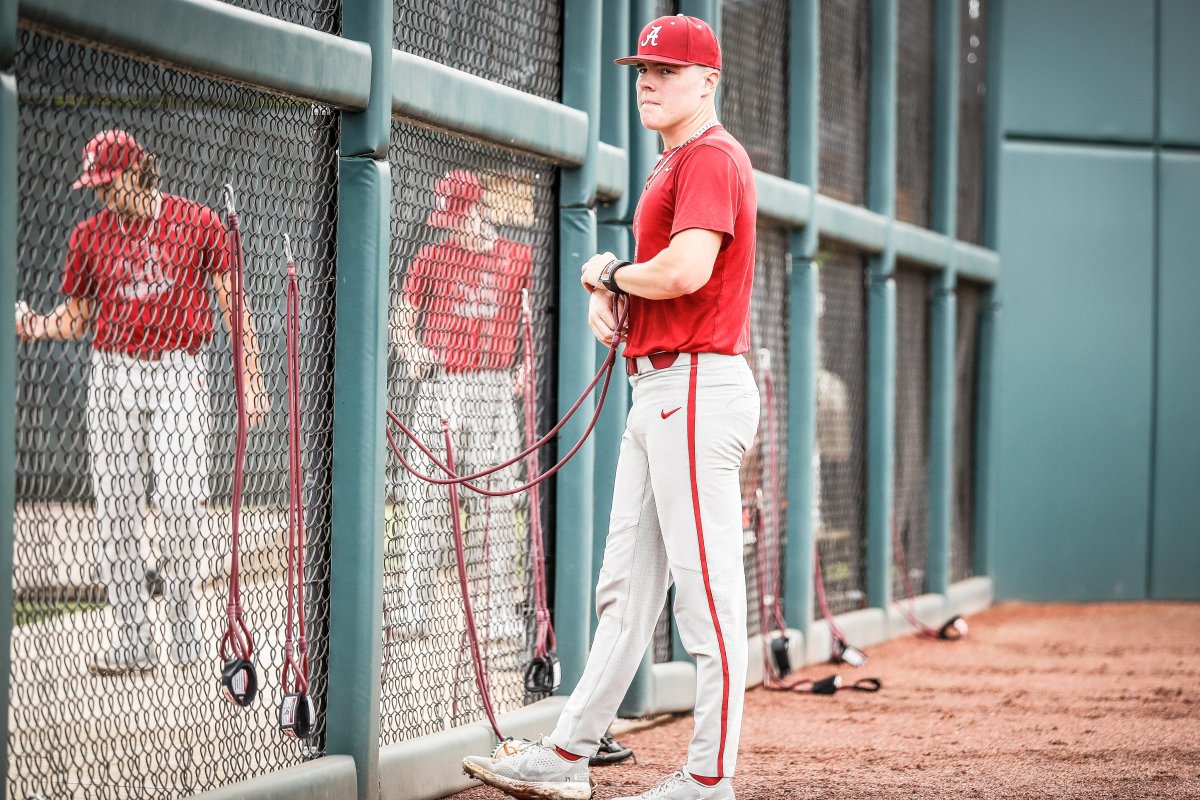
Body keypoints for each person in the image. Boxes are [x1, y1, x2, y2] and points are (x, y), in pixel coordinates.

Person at [463, 15, 759, 800]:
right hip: (662, 387)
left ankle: (708, 778)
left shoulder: (709, 156)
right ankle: (568, 758)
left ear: (708, 81)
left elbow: (685, 270)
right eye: (643, 70)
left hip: (696, 388)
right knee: (624, 594)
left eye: (669, 70)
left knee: (706, 600)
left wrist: (613, 272)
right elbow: (653, 281)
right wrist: (613, 290)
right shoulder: (673, 162)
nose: (650, 82)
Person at [15, 129, 268, 676]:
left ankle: (182, 626)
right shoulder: (90, 235)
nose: (101, 195)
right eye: (95, 186)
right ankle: (132, 636)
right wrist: (34, 324)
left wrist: (250, 374)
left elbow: (233, 303)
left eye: (108, 183)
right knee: (117, 509)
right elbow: (79, 317)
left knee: (182, 503)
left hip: (180, 368)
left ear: (136, 172)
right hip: (114, 371)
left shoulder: (196, 222)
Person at [388, 169, 534, 644]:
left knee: (494, 503)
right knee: (426, 499)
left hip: (492, 386)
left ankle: (497, 614)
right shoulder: (432, 256)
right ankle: (415, 610)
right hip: (442, 383)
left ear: (479, 210)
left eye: (459, 215)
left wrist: (525, 367)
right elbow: (402, 320)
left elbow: (531, 323)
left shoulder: (517, 257)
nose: (451, 225)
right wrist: (413, 355)